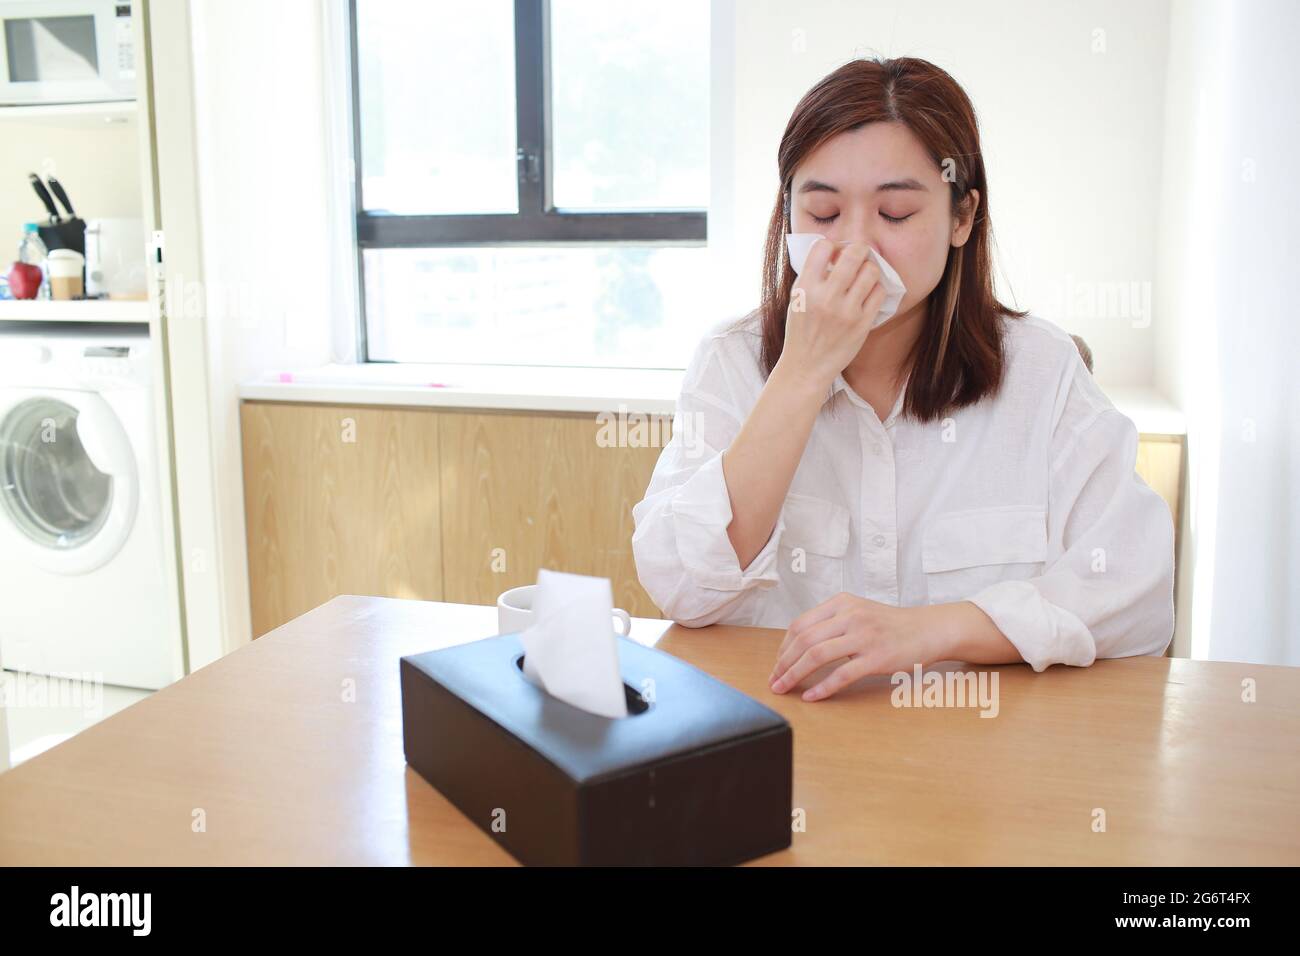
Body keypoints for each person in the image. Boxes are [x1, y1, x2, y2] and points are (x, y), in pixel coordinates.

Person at [631, 56, 1175, 702]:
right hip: (790, 729)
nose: (855, 245)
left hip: (983, 740)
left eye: (894, 213)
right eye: (823, 213)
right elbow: (682, 587)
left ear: (961, 218)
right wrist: (802, 372)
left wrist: (936, 630)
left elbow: (1137, 593)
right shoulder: (732, 360)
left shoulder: (1043, 369)